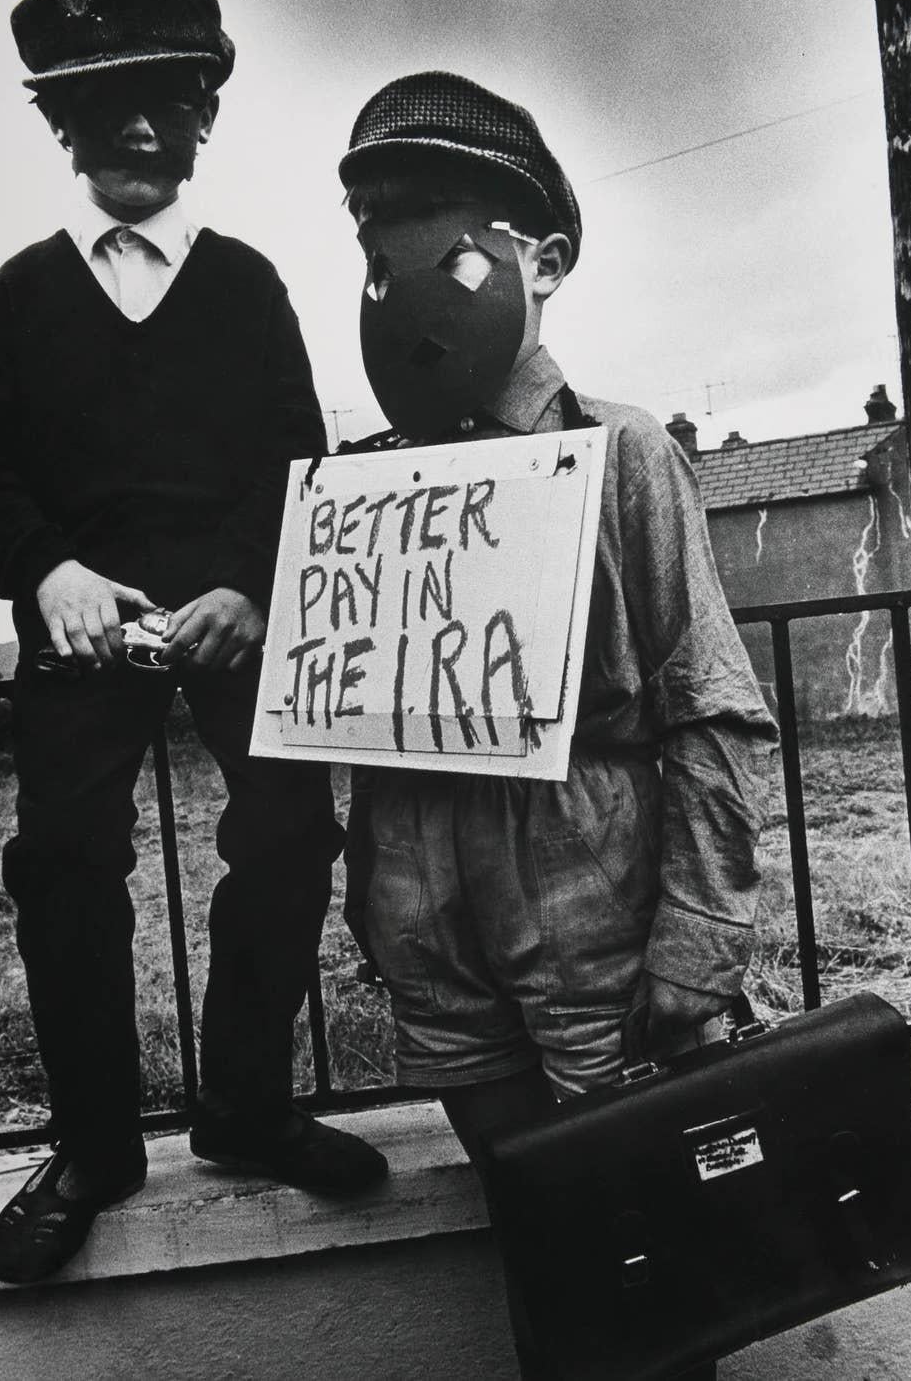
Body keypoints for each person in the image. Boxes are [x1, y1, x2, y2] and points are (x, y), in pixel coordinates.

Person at [0, 0, 386, 1287]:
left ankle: (245, 1103)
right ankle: (92, 1148)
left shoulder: (244, 286)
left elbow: (292, 459)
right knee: (68, 864)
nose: (141, 125)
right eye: (108, 100)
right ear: (60, 128)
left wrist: (252, 585)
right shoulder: (25, 295)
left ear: (205, 119)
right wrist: (47, 574)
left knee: (293, 833)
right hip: (78, 641)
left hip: (237, 631)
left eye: (169, 98)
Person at [337, 72, 779, 1379]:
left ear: (545, 254)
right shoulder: (371, 484)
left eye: (439, 218)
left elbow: (712, 707)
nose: (398, 258)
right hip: (446, 954)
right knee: (544, 1241)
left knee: (646, 1266)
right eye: (375, 233)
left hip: (597, 943)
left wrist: (695, 950)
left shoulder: (625, 451)